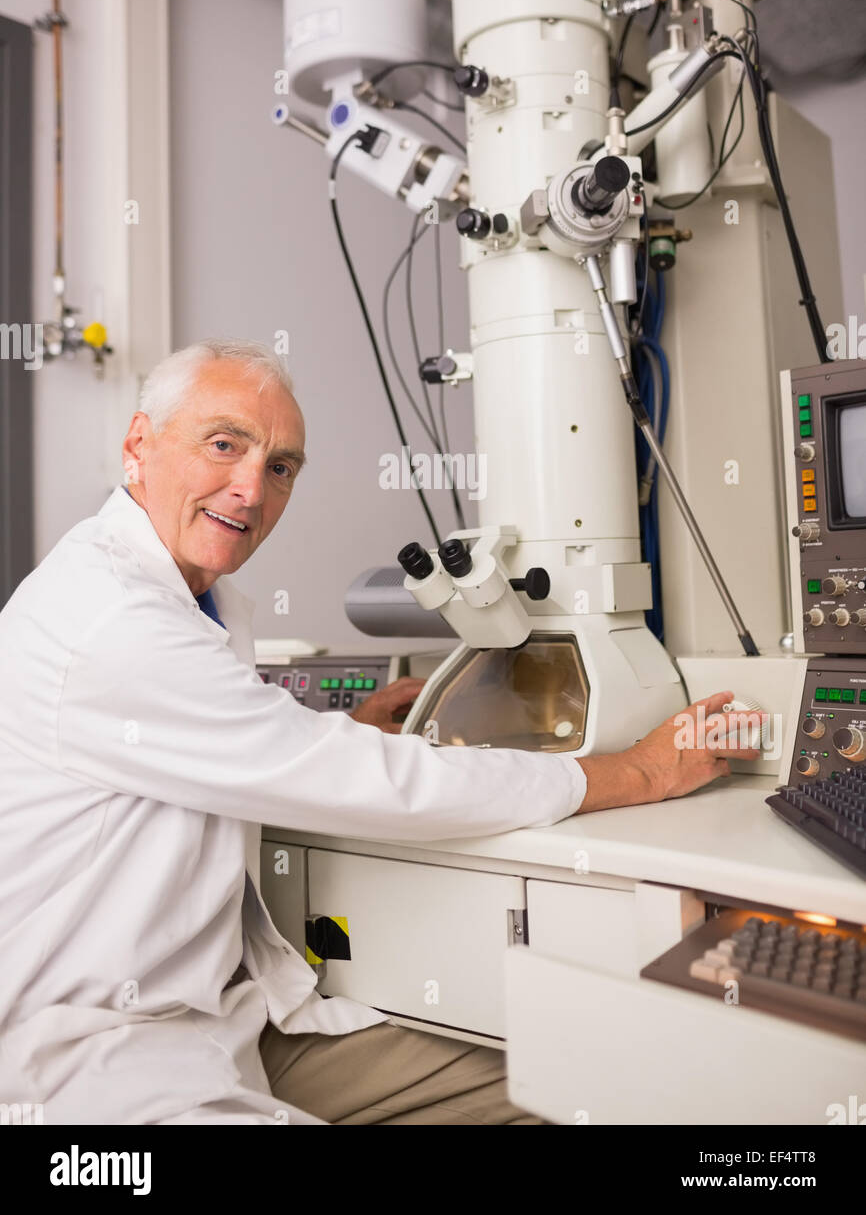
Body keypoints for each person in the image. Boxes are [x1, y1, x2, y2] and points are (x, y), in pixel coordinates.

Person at [0, 339, 758, 1125]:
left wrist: (339, 728)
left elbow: (238, 750)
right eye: (223, 444)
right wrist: (635, 773)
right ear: (139, 445)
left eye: (281, 466)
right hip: (97, 1062)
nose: (251, 487)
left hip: (226, 1019)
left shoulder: (194, 604)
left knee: (563, 1080)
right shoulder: (111, 615)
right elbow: (348, 776)